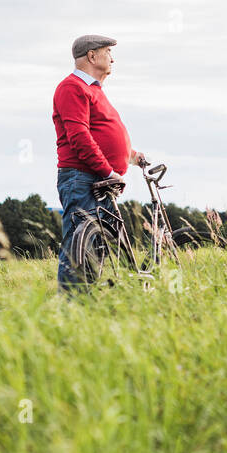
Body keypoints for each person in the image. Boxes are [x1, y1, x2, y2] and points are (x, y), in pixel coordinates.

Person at [52, 34, 146, 292]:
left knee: (101, 246)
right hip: (83, 178)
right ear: (92, 56)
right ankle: (71, 309)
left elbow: (105, 135)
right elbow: (79, 137)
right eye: (107, 52)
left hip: (100, 179)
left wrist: (133, 156)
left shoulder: (94, 91)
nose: (112, 58)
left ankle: (92, 304)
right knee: (78, 246)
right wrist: (108, 171)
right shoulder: (72, 87)